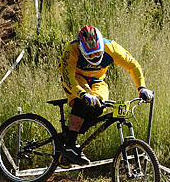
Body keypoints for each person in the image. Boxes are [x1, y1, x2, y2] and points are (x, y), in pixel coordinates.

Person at [58, 25, 154, 166]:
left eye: (97, 53)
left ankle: (73, 131)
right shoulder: (71, 50)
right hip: (76, 79)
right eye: (89, 54)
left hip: (97, 80)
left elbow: (133, 65)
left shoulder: (111, 48)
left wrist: (142, 88)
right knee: (83, 101)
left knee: (100, 106)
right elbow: (68, 77)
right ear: (81, 49)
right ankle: (70, 145)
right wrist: (82, 94)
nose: (94, 57)